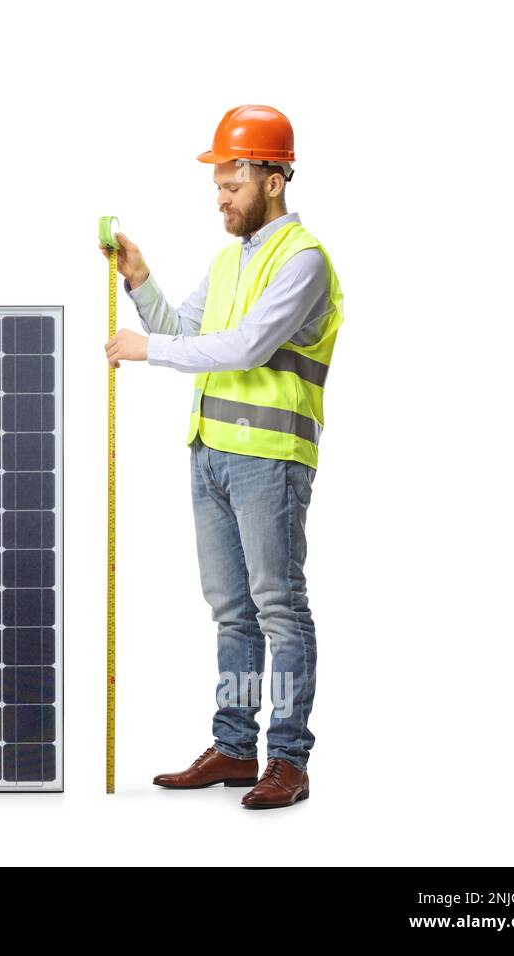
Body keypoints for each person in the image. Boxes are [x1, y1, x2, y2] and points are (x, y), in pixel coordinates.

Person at [103, 104, 344, 809]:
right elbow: (182, 329)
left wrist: (149, 351)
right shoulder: (227, 259)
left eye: (231, 180)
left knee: (279, 607)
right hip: (209, 453)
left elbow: (242, 349)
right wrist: (141, 280)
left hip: (269, 459)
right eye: (217, 182)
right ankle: (237, 748)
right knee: (232, 611)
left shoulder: (303, 261)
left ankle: (288, 761)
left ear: (272, 178)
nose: (220, 195)